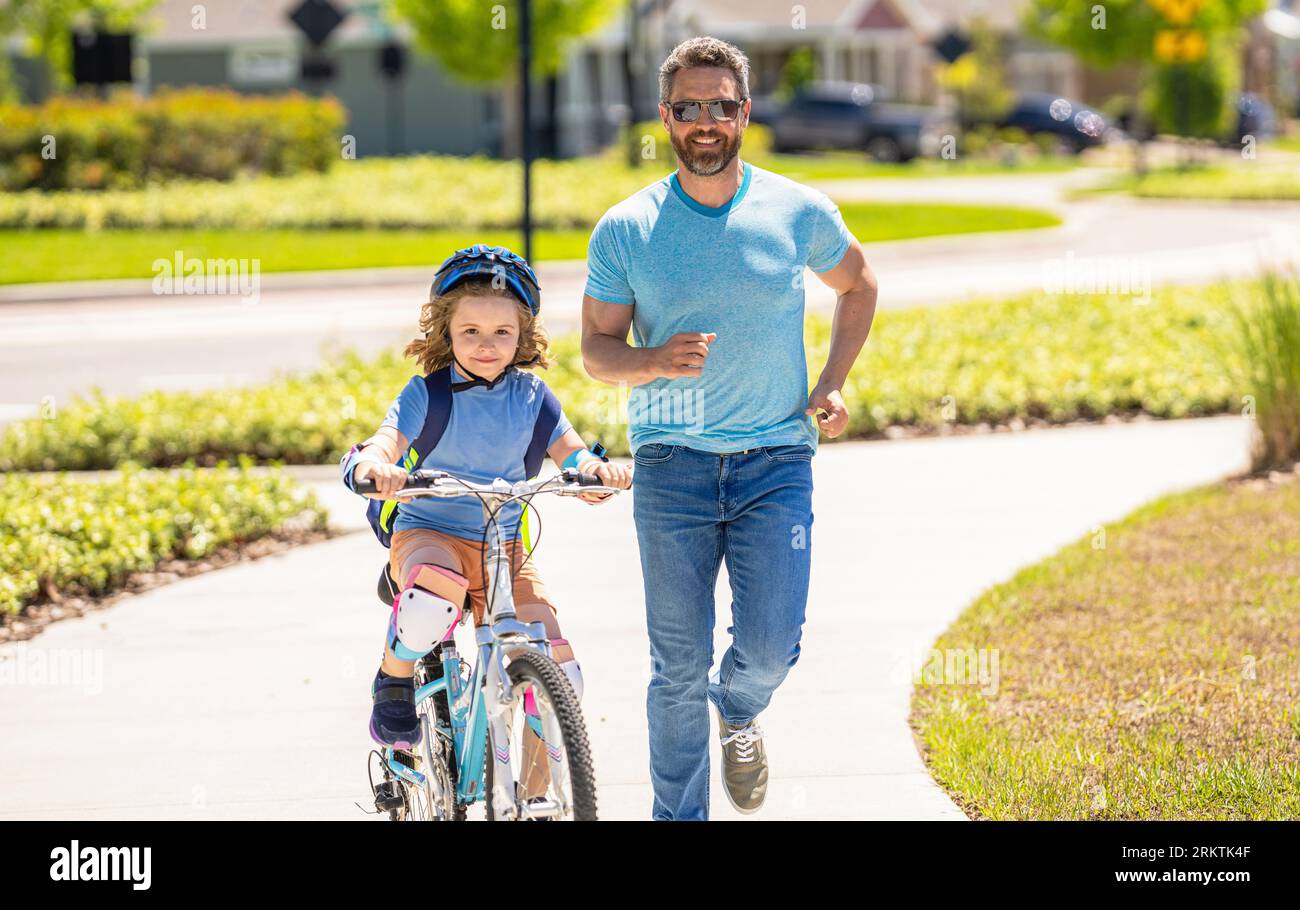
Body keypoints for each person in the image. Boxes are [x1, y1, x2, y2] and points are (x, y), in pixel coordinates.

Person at [580, 37, 879, 820]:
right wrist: (651, 359)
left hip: (775, 457)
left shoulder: (796, 210)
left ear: (744, 112)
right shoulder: (627, 228)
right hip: (672, 464)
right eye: (688, 108)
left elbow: (859, 283)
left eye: (720, 106)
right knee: (674, 667)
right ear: (665, 118)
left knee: (773, 647)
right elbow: (595, 354)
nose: (704, 122)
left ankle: (739, 709)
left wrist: (833, 382)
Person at [341, 244, 631, 799]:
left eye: (502, 332)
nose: (486, 344)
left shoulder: (532, 396)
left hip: (501, 545)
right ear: (444, 331)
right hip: (430, 534)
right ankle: (394, 682)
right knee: (433, 595)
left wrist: (594, 473)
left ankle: (534, 798)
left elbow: (571, 452)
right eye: (470, 330)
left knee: (558, 667)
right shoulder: (427, 393)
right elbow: (386, 440)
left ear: (522, 336)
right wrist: (375, 465)